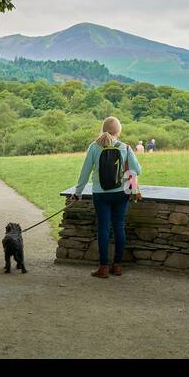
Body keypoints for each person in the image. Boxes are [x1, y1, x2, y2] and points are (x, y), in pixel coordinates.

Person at [68, 116, 142, 278]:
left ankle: (103, 268)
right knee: (119, 227)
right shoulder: (125, 147)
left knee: (103, 228)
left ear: (103, 129)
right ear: (118, 131)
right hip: (121, 193)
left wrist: (78, 193)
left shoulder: (94, 147)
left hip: (100, 194)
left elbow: (85, 172)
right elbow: (137, 169)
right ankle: (117, 266)